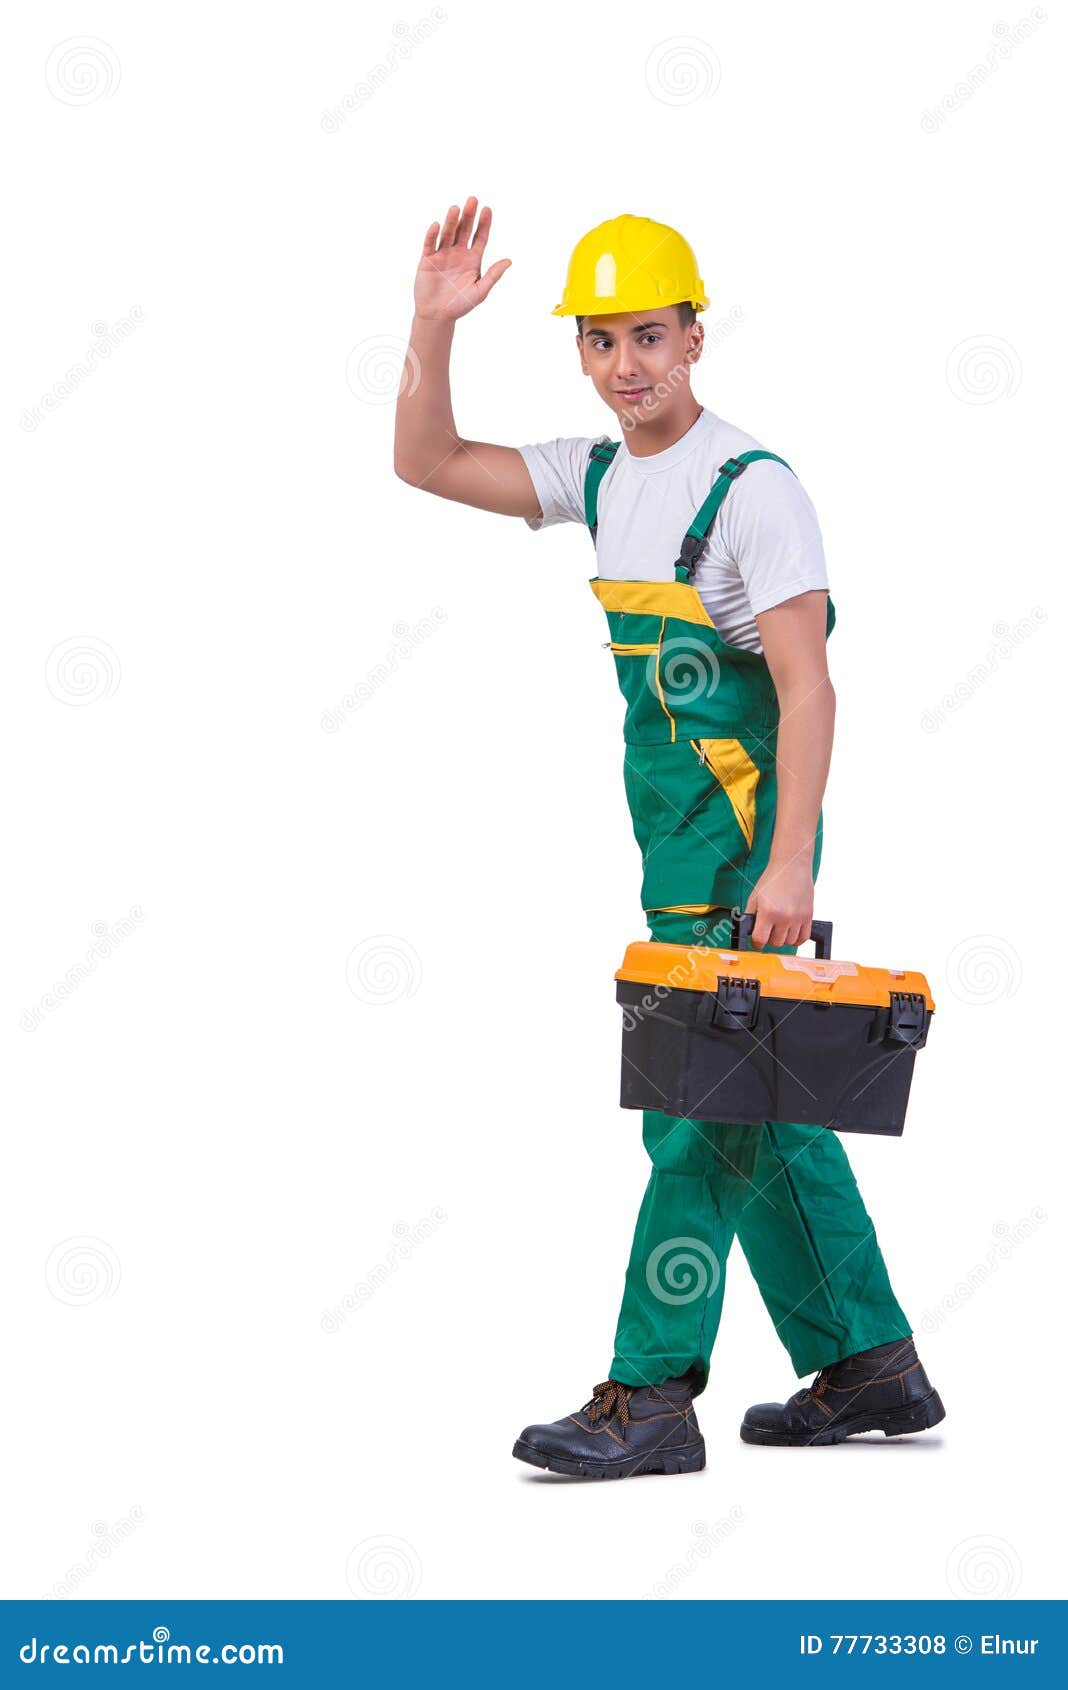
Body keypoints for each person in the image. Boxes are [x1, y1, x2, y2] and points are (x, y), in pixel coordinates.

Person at [393, 197, 945, 1479]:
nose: (625, 365)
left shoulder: (755, 489)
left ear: (697, 335)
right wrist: (430, 330)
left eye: (648, 334)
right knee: (764, 1107)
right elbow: (427, 462)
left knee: (695, 1114)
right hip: (673, 855)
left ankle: (649, 1395)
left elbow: (808, 686)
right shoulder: (597, 476)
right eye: (600, 341)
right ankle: (869, 1361)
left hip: (743, 850)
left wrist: (790, 866)